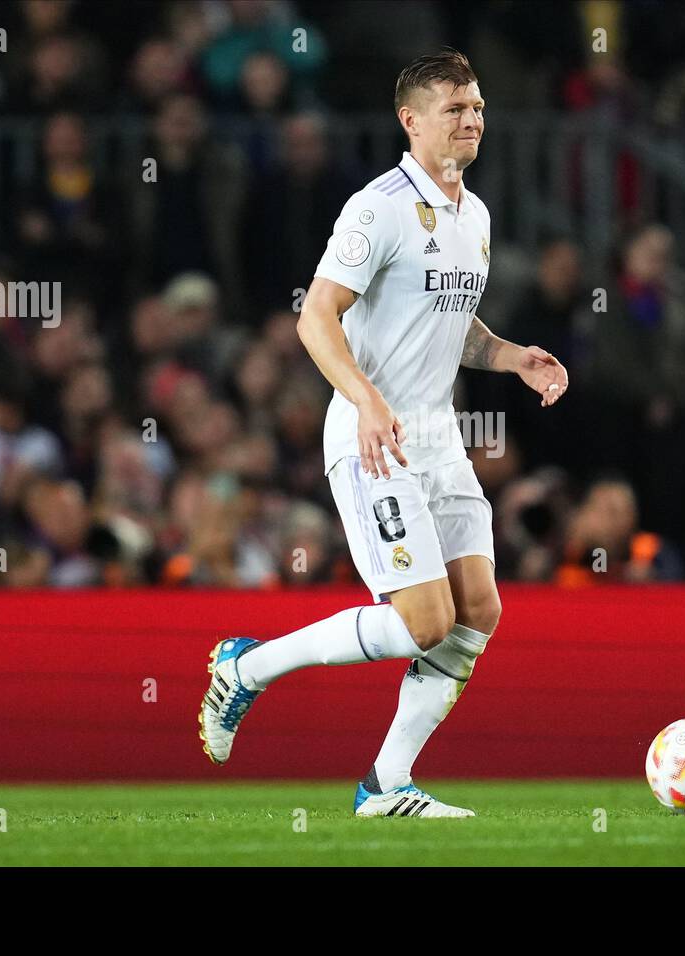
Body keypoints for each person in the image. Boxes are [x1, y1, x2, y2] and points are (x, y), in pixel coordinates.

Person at [198, 50, 569, 818]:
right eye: (455, 110)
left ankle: (386, 785)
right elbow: (316, 315)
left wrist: (510, 358)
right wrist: (367, 402)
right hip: (375, 437)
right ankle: (247, 668)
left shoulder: (475, 214)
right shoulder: (378, 207)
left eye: (477, 107)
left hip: (438, 437)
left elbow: (451, 324)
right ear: (411, 120)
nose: (473, 121)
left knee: (479, 612)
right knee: (422, 622)